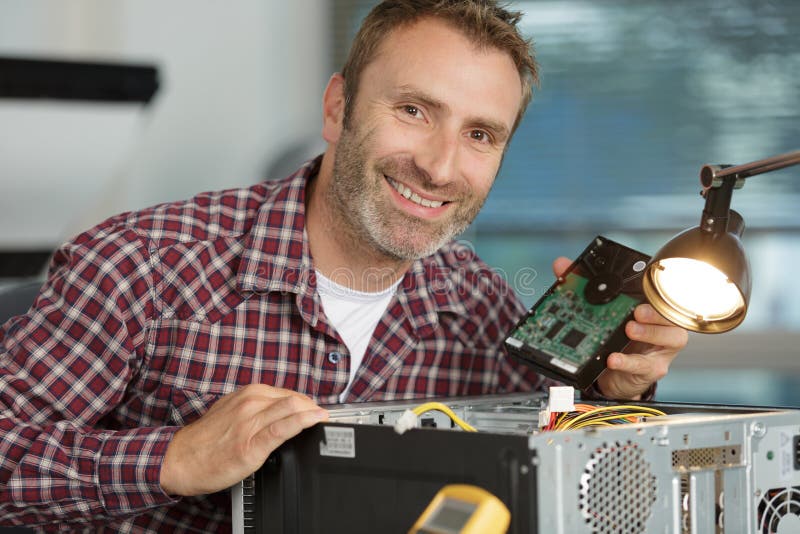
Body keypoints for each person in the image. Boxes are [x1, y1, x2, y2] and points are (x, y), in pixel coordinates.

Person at [0, 0, 688, 531]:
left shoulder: (485, 308)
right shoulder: (141, 266)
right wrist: (174, 459)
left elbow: (558, 492)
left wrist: (616, 395)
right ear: (338, 108)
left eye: (479, 134)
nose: (441, 165)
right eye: (415, 110)